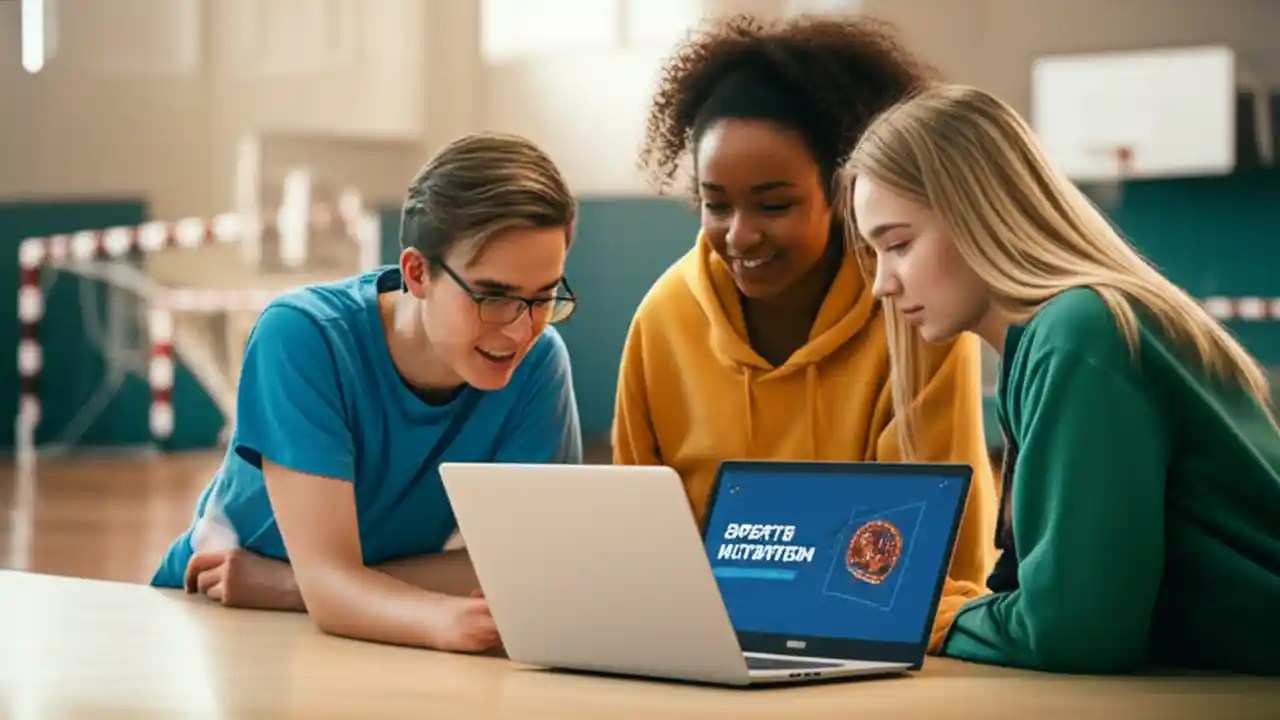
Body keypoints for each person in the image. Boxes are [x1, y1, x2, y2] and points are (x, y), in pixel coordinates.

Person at [844, 82, 1280, 676]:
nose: (882, 285)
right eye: (875, 254)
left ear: (983, 212)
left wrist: (940, 617)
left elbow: (1077, 634)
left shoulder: (1079, 334)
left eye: (898, 244)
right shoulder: (1048, 340)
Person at [614, 12, 998, 649]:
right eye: (716, 204)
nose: (740, 234)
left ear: (841, 191)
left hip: (895, 644)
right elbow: (633, 533)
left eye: (774, 205)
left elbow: (941, 558)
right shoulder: (662, 319)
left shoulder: (914, 317)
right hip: (705, 644)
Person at [151, 132, 583, 654]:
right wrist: (342, 592)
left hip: (359, 622)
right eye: (493, 297)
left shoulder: (539, 364)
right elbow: (334, 587)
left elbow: (523, 569)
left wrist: (294, 587)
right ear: (417, 272)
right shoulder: (302, 336)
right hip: (210, 617)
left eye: (543, 298)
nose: (520, 330)